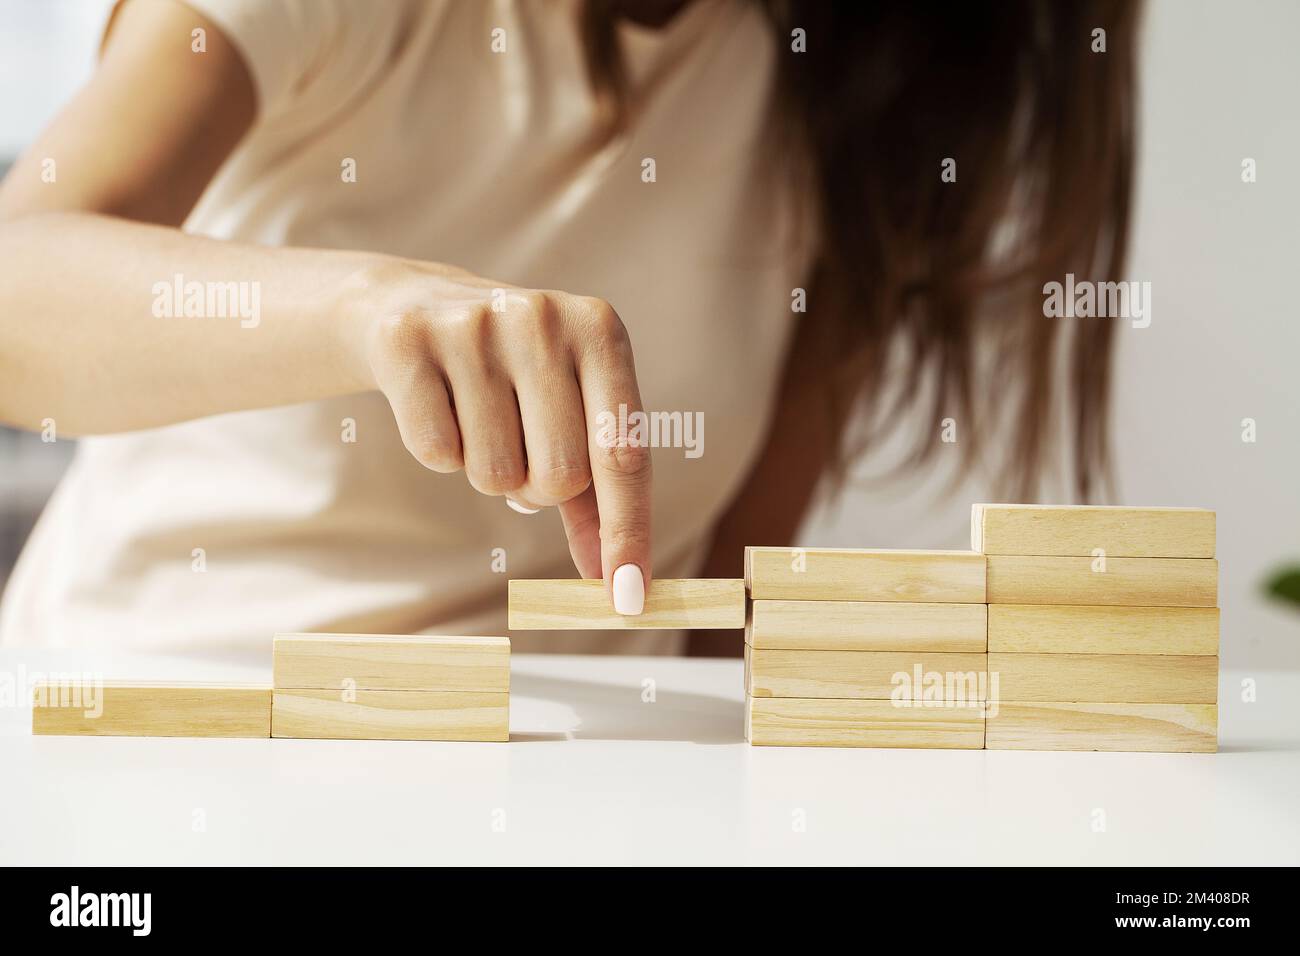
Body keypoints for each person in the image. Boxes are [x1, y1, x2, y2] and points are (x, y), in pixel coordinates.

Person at [0, 0, 1139, 660]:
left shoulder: (862, 96)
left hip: (570, 794)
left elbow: (721, 614)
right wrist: (369, 310)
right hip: (157, 727)